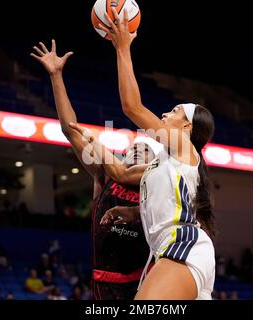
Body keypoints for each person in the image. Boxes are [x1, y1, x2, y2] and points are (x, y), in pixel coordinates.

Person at [70, 8, 217, 300]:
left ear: (187, 126)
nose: (165, 113)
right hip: (172, 251)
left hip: (181, 247)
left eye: (174, 111)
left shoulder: (184, 147)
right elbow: (121, 173)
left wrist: (122, 48)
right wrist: (135, 212)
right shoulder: (166, 162)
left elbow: (132, 107)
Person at [31, 40, 160, 300]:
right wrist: (56, 76)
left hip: (144, 282)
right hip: (102, 282)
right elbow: (70, 129)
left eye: (144, 149)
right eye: (133, 147)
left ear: (154, 161)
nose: (136, 150)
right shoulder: (105, 174)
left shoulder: (158, 186)